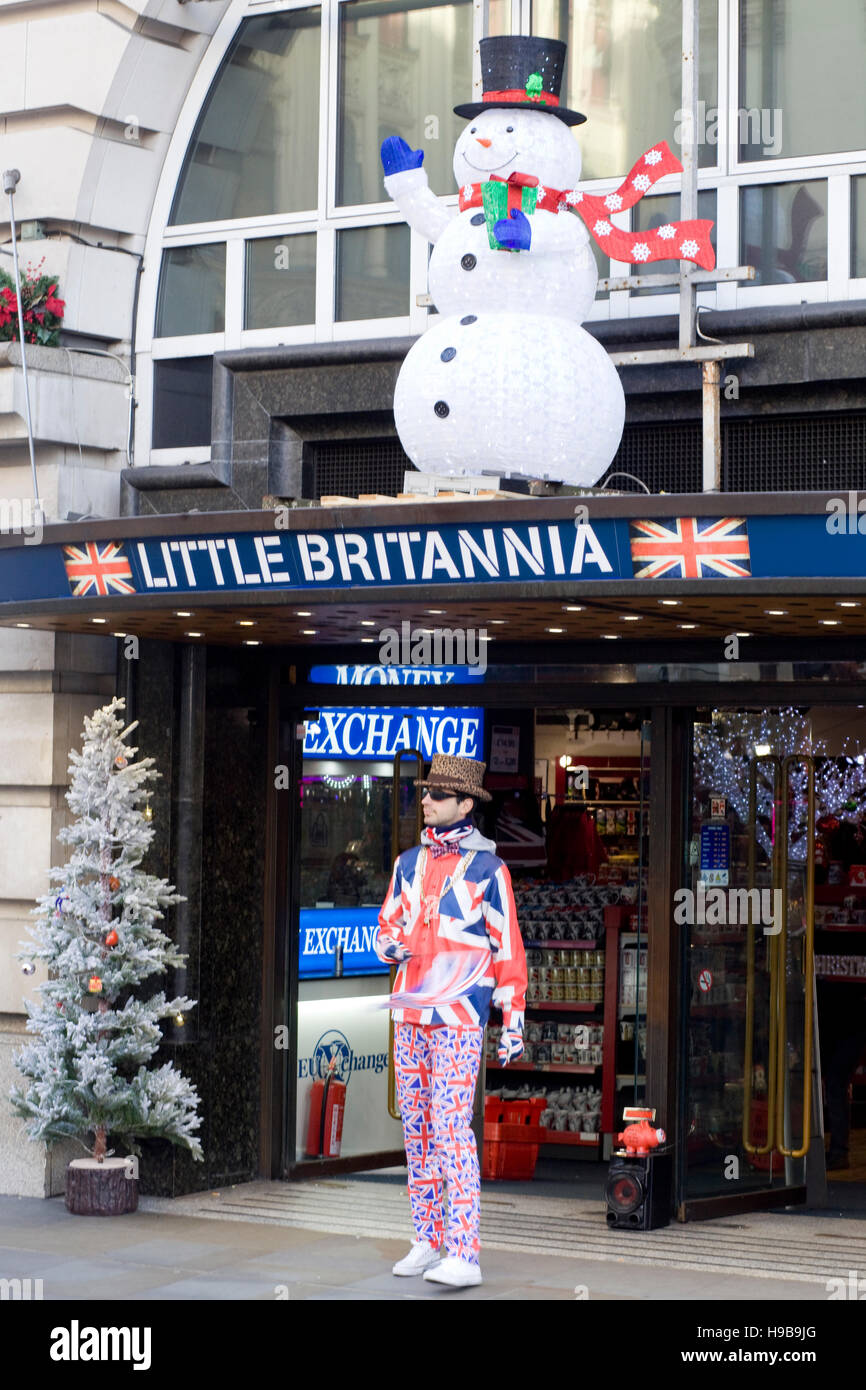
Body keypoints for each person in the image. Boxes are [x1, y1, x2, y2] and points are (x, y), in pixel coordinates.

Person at [375, 754, 527, 1288]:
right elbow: (386, 925)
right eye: (426, 792)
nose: (426, 800)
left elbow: (508, 946)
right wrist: (389, 945)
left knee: (449, 1125)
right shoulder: (407, 863)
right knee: (416, 1126)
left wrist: (513, 1017)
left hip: (460, 1013)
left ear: (466, 804)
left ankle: (463, 1249)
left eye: (437, 795)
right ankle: (427, 1237)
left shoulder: (490, 870)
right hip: (412, 1008)